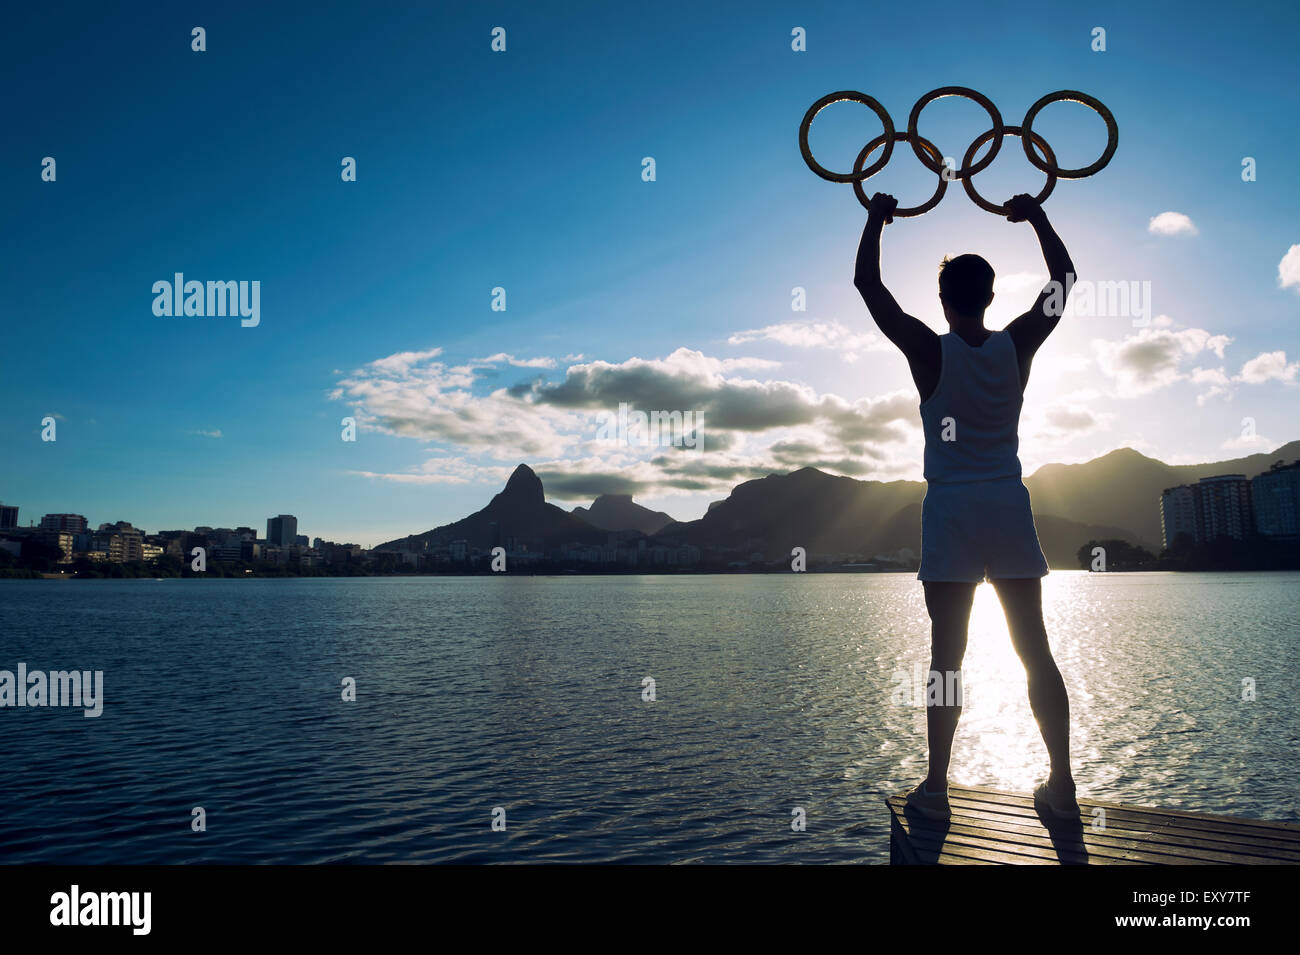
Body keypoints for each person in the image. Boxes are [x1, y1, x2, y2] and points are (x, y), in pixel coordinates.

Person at [854, 191, 1079, 821]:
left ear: (945, 300)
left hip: (952, 512)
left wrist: (877, 217)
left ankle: (936, 789)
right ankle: (1061, 786)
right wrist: (1034, 214)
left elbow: (867, 284)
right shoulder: (1016, 346)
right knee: (1034, 649)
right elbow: (1063, 280)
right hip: (1007, 505)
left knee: (946, 656)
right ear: (989, 296)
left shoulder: (930, 351)